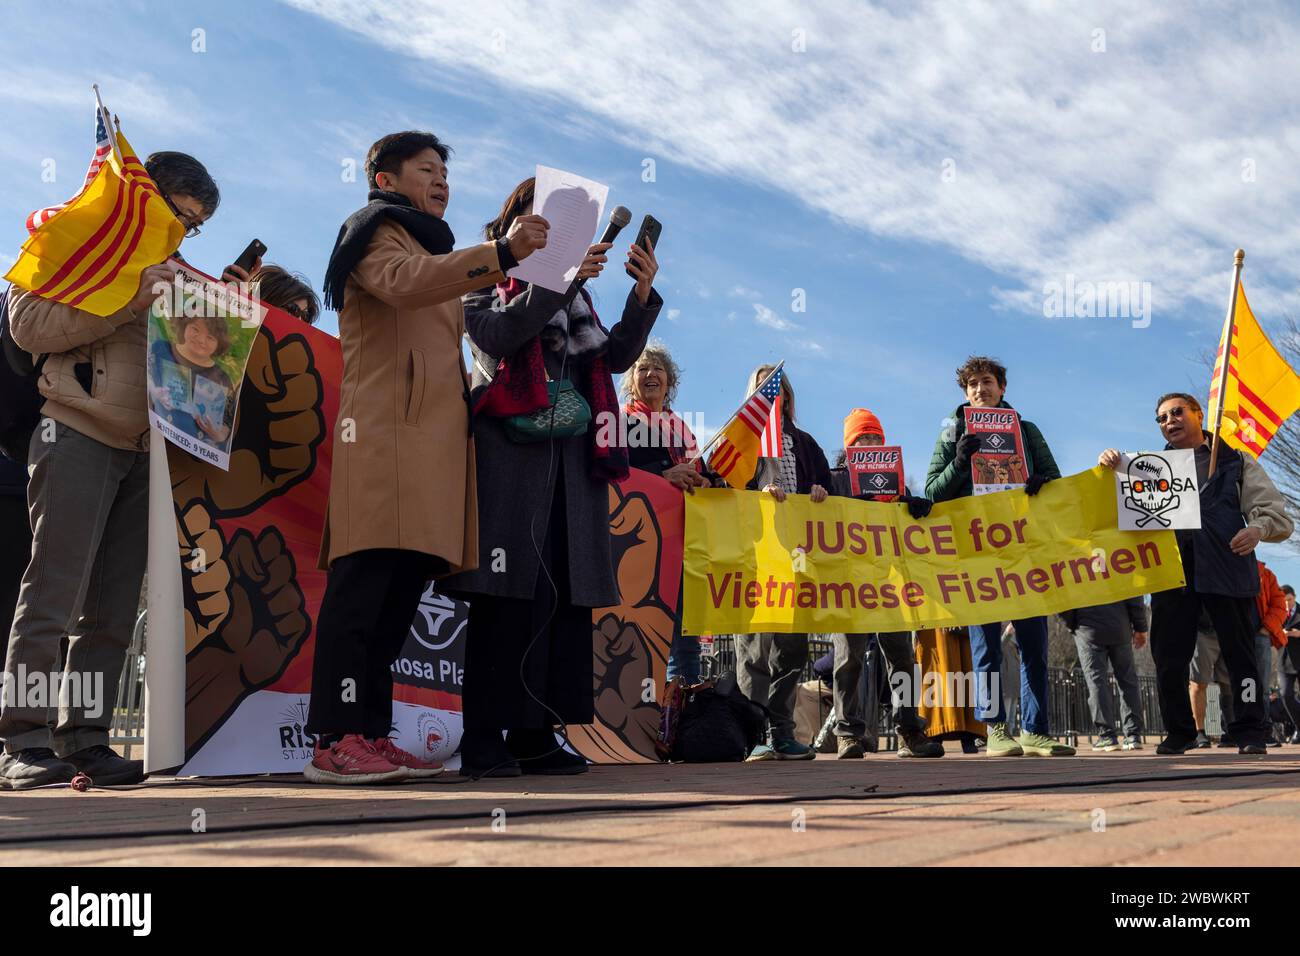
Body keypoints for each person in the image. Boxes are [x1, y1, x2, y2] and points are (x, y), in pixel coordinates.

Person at [303, 132, 548, 785]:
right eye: (426, 169)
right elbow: (405, 285)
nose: (441, 181)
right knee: (362, 592)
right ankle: (334, 740)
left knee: (394, 601)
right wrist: (501, 252)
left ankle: (369, 736)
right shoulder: (375, 234)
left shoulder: (435, 251)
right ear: (385, 180)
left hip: (430, 453)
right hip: (383, 442)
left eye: (445, 171)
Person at [0, 152, 219, 790]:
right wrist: (130, 299)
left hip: (149, 450)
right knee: (53, 591)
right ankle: (23, 739)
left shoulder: (174, 269)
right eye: (179, 215)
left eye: (194, 226)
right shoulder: (74, 240)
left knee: (112, 608)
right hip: (74, 431)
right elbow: (29, 326)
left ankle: (87, 739)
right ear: (145, 196)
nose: (183, 233)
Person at [444, 175, 661, 778]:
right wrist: (557, 278)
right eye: (550, 221)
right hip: (511, 460)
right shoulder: (486, 271)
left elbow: (612, 358)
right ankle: (483, 738)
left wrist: (640, 295)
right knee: (504, 598)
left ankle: (537, 734)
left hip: (572, 465)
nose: (564, 235)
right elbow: (495, 336)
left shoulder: (578, 291)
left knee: (561, 600)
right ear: (518, 219)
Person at [1098, 392, 1293, 755]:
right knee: (1170, 658)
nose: (1169, 421)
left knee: (1242, 658)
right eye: (1161, 418)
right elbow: (1116, 517)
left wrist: (1257, 529)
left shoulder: (1236, 461)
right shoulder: (1145, 468)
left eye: (1177, 412)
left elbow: (1277, 515)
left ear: (1199, 414)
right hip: (1173, 576)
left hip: (1229, 571)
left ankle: (1251, 729)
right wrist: (1110, 467)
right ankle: (1180, 731)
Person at [925, 355, 1073, 757]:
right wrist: (959, 463)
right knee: (985, 647)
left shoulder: (1025, 431)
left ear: (1002, 388)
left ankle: (1036, 730)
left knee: (1034, 644)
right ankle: (995, 730)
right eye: (971, 384)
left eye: (986, 381)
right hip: (974, 552)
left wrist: (1041, 484)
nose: (979, 389)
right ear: (965, 392)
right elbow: (932, 495)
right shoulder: (951, 433)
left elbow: (1057, 484)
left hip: (1024, 549)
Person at [827, 408, 942, 759]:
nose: (871, 443)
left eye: (876, 437)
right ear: (850, 446)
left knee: (903, 659)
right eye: (863, 438)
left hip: (891, 583)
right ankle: (848, 733)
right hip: (850, 583)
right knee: (848, 659)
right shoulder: (836, 480)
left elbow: (905, 531)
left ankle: (910, 731)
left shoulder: (896, 484)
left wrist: (914, 507)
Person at [735, 366, 829, 762]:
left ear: (789, 399)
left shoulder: (804, 443)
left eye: (779, 391)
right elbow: (721, 486)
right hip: (757, 557)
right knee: (755, 648)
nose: (774, 398)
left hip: (799, 559)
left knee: (791, 650)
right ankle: (750, 735)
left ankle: (782, 734)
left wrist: (820, 491)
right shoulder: (738, 444)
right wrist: (758, 492)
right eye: (764, 391)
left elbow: (826, 486)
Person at [620, 342, 711, 684]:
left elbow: (696, 473)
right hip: (637, 548)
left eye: (658, 368)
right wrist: (662, 476)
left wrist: (701, 481)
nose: (650, 374)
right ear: (631, 382)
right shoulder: (619, 423)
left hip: (682, 544)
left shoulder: (683, 430)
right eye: (642, 368)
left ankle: (679, 726)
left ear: (670, 381)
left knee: (684, 642)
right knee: (639, 640)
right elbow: (614, 477)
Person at [1061, 598, 1148, 751]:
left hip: (1087, 625)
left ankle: (1107, 736)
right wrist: (1140, 626)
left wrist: (1072, 623)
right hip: (1119, 624)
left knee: (1096, 682)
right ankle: (1133, 735)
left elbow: (1062, 595)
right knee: (1128, 680)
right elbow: (1134, 595)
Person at [149, 313, 236, 444]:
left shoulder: (222, 377)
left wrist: (217, 434)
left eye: (210, 337)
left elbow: (227, 426)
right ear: (184, 326)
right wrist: (153, 391)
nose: (201, 339)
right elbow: (142, 378)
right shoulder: (161, 349)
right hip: (153, 438)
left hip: (193, 454)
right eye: (195, 329)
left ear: (219, 344)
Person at [1189, 611, 1236, 748]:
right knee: (1198, 683)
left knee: (1228, 684)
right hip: (1202, 628)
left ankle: (1230, 730)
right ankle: (1199, 732)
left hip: (1228, 628)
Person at [1280, 585, 1300, 743]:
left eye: (1290, 600)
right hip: (1284, 660)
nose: (1287, 604)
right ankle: (1299, 727)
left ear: (1294, 597)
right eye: (1284, 601)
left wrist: (1297, 633)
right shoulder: (1278, 613)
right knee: (1286, 695)